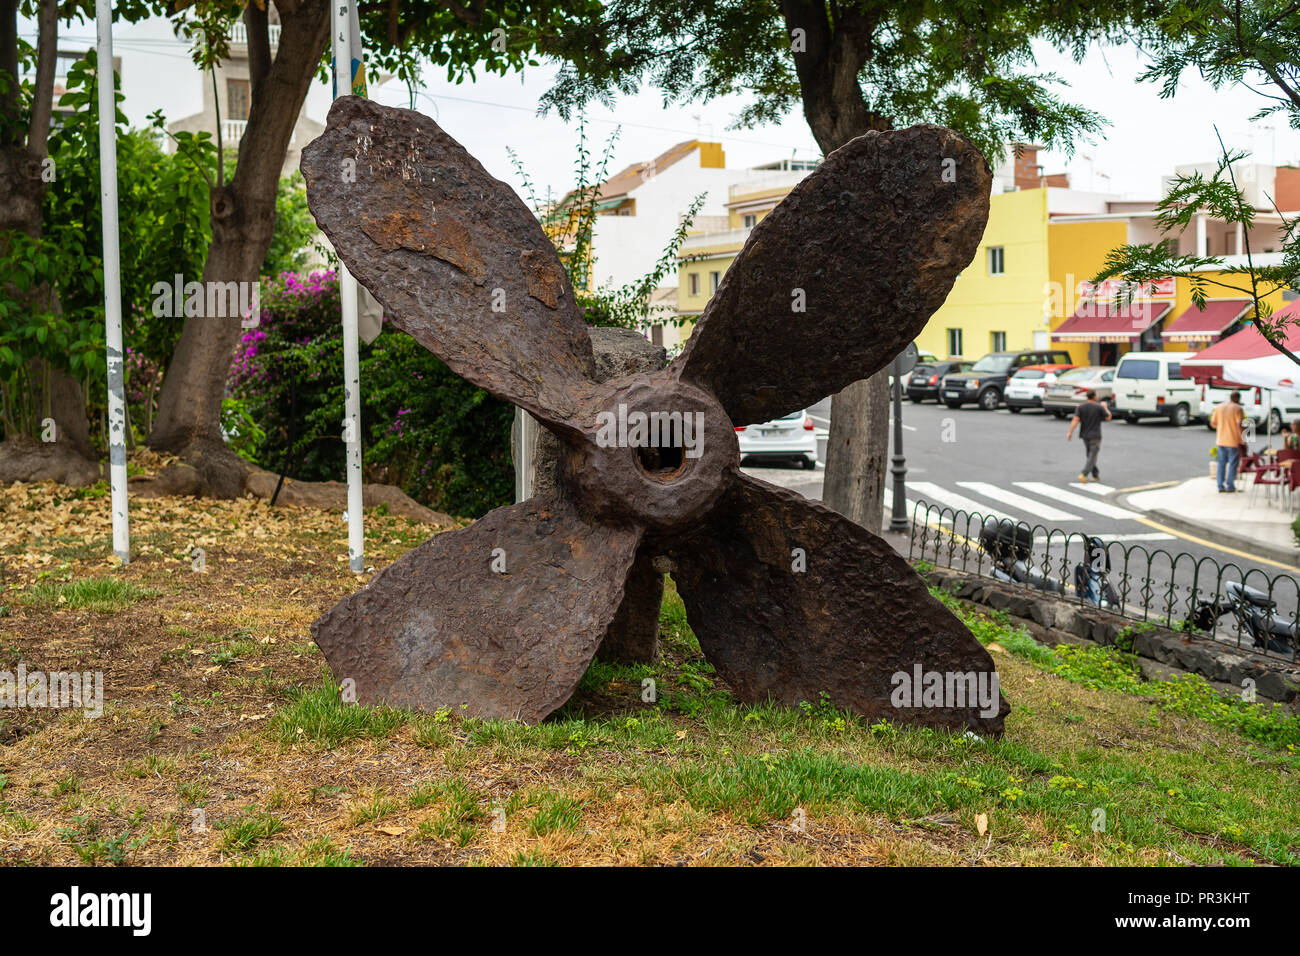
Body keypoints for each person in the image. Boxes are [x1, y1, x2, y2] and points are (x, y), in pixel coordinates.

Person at [1066, 390, 1111, 483]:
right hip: (1095, 435)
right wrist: (1105, 407)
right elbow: (1108, 417)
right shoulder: (1099, 407)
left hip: (1085, 435)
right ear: (1094, 396)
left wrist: (1070, 432)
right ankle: (1084, 474)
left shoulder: (1081, 407)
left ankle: (1095, 474)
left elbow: (1075, 420)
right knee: (1092, 455)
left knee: (1090, 455)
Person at [1211, 391, 1247, 492]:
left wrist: (1222, 426)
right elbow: (1240, 424)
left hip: (1221, 440)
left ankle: (1220, 486)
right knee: (1233, 463)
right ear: (1238, 398)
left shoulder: (1219, 407)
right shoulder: (1238, 408)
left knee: (1221, 463)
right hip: (1233, 441)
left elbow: (1213, 423)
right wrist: (1244, 439)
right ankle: (1230, 485)